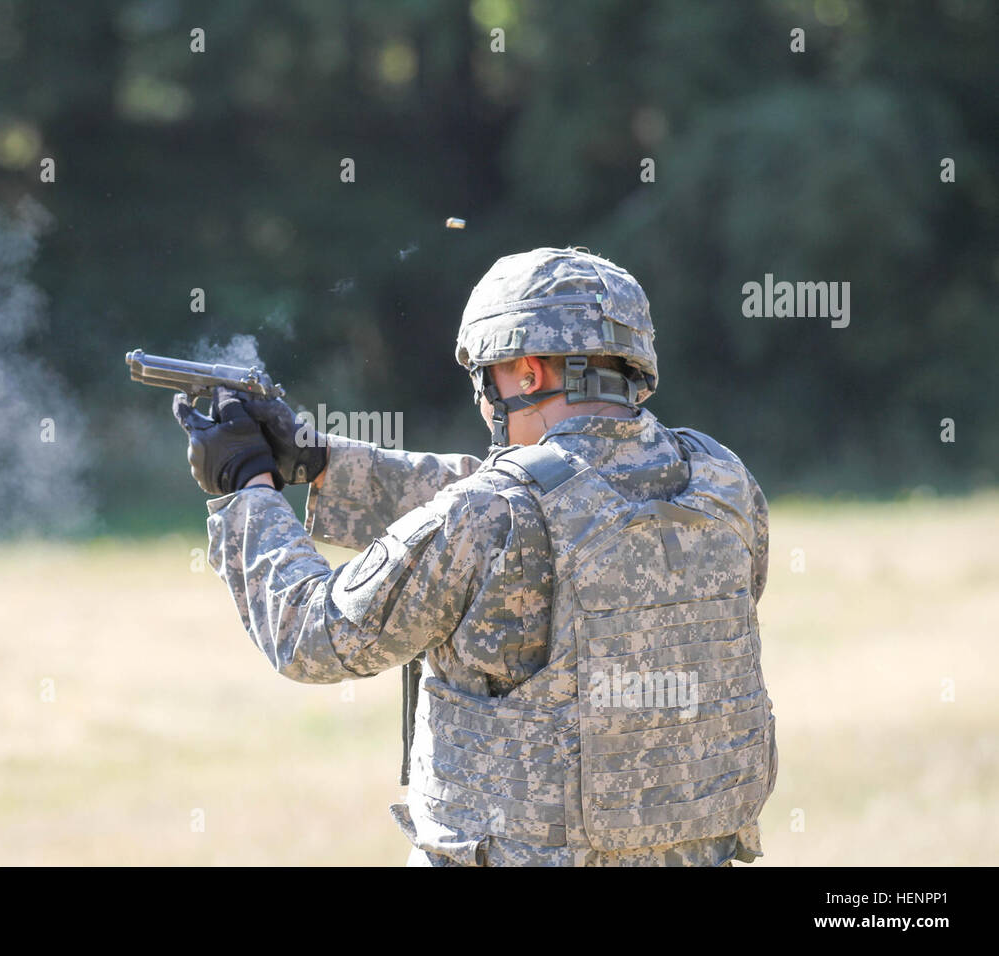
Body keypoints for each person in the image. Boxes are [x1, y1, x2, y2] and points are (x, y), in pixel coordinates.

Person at [171, 247, 777, 866]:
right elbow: (539, 498)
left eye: (484, 377)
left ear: (528, 374)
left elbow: (311, 636)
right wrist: (320, 461)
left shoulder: (492, 515)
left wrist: (247, 491)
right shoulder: (722, 482)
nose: (482, 402)